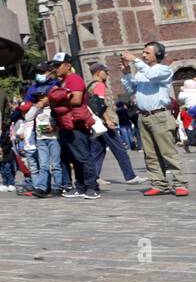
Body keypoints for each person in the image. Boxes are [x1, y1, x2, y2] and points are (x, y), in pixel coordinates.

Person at [121, 42, 188, 196]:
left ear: (157, 55)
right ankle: (159, 183)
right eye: (143, 53)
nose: (143, 55)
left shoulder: (164, 70)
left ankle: (180, 183)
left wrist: (135, 60)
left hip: (160, 115)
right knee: (150, 153)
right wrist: (126, 74)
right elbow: (130, 89)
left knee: (167, 152)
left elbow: (152, 75)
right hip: (143, 116)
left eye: (147, 53)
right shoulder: (140, 72)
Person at [46, 52, 100, 199]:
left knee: (83, 157)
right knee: (74, 158)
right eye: (54, 66)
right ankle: (80, 186)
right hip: (66, 125)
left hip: (77, 125)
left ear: (68, 65)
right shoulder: (61, 82)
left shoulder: (74, 79)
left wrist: (57, 100)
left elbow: (76, 100)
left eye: (58, 65)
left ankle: (92, 187)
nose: (55, 68)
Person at [86, 62, 139, 186]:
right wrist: (108, 120)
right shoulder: (99, 85)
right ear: (98, 72)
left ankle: (94, 177)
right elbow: (99, 104)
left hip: (97, 123)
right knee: (120, 149)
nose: (108, 74)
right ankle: (130, 176)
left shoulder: (90, 85)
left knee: (98, 151)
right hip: (105, 123)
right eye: (106, 71)